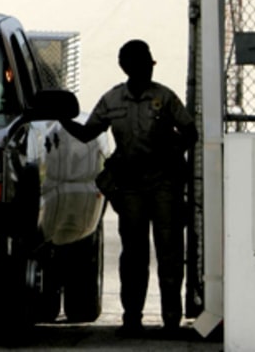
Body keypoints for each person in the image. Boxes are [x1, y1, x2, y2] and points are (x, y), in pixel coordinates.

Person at [60, 39, 197, 336]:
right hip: (131, 187)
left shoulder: (164, 97)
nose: (148, 68)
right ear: (127, 67)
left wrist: (172, 155)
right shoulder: (112, 100)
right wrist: (60, 118)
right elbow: (87, 133)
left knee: (169, 252)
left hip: (163, 184)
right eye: (142, 63)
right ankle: (131, 318)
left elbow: (190, 131)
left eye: (149, 63)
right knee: (134, 254)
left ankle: (171, 320)